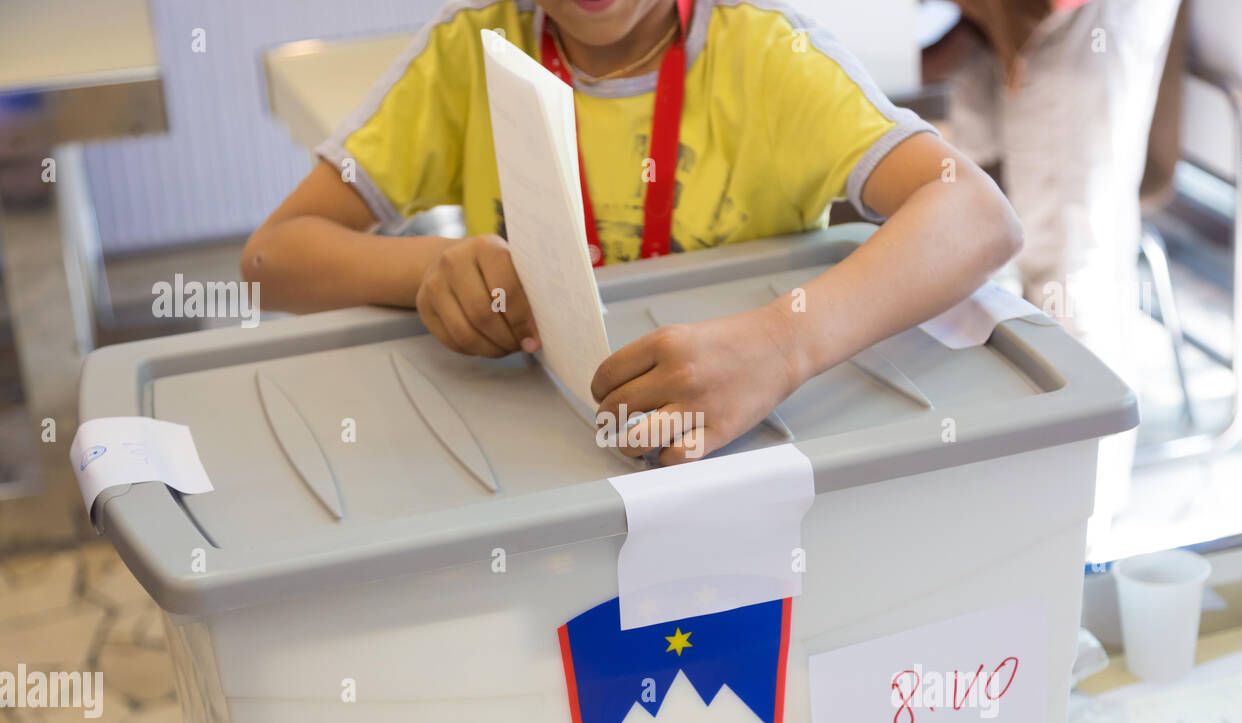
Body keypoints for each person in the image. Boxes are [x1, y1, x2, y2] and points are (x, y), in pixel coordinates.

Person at [243, 0, 1023, 464]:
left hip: (748, 461)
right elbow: (273, 257)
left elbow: (977, 215)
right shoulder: (470, 51)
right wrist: (435, 267)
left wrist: (785, 344)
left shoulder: (765, 54)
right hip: (549, 461)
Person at [929, 0, 1184, 539]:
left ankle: (1083, 524)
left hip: (1067, 18)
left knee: (1068, 263)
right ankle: (1069, 510)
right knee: (1063, 253)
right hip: (1022, 20)